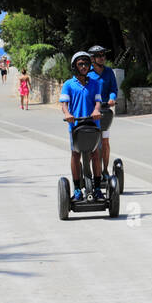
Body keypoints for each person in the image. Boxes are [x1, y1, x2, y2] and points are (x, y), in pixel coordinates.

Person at [58, 51, 105, 202]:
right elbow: (64, 104)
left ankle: (97, 188)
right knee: (75, 155)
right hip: (76, 125)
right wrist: (67, 114)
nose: (84, 66)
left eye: (86, 64)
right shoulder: (68, 84)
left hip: (93, 124)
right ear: (75, 66)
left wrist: (97, 110)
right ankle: (77, 188)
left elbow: (98, 101)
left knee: (96, 154)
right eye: (81, 64)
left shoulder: (95, 83)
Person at [87, 45, 120, 186]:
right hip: (91, 113)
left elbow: (114, 88)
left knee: (105, 142)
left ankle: (105, 170)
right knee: (91, 144)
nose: (103, 58)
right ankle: (89, 172)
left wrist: (112, 98)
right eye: (99, 55)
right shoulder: (87, 74)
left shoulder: (109, 72)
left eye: (103, 55)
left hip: (105, 112)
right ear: (93, 59)